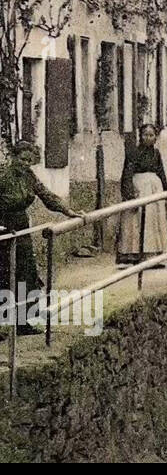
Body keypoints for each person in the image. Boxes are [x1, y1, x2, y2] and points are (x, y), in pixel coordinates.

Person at [0, 140, 83, 335]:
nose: (26, 163)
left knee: (25, 272)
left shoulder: (29, 176)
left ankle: (22, 322)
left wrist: (68, 211)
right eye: (22, 159)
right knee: (3, 273)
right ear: (13, 157)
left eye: (29, 160)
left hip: (21, 228)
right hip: (3, 228)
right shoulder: (3, 175)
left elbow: (47, 195)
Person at [117, 124, 167, 266]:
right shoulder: (133, 152)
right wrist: (129, 194)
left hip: (154, 190)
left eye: (151, 135)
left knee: (153, 221)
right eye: (145, 134)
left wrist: (166, 192)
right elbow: (127, 173)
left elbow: (161, 172)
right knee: (136, 221)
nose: (148, 138)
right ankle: (133, 254)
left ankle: (152, 255)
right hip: (139, 188)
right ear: (141, 136)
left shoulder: (156, 153)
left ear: (155, 137)